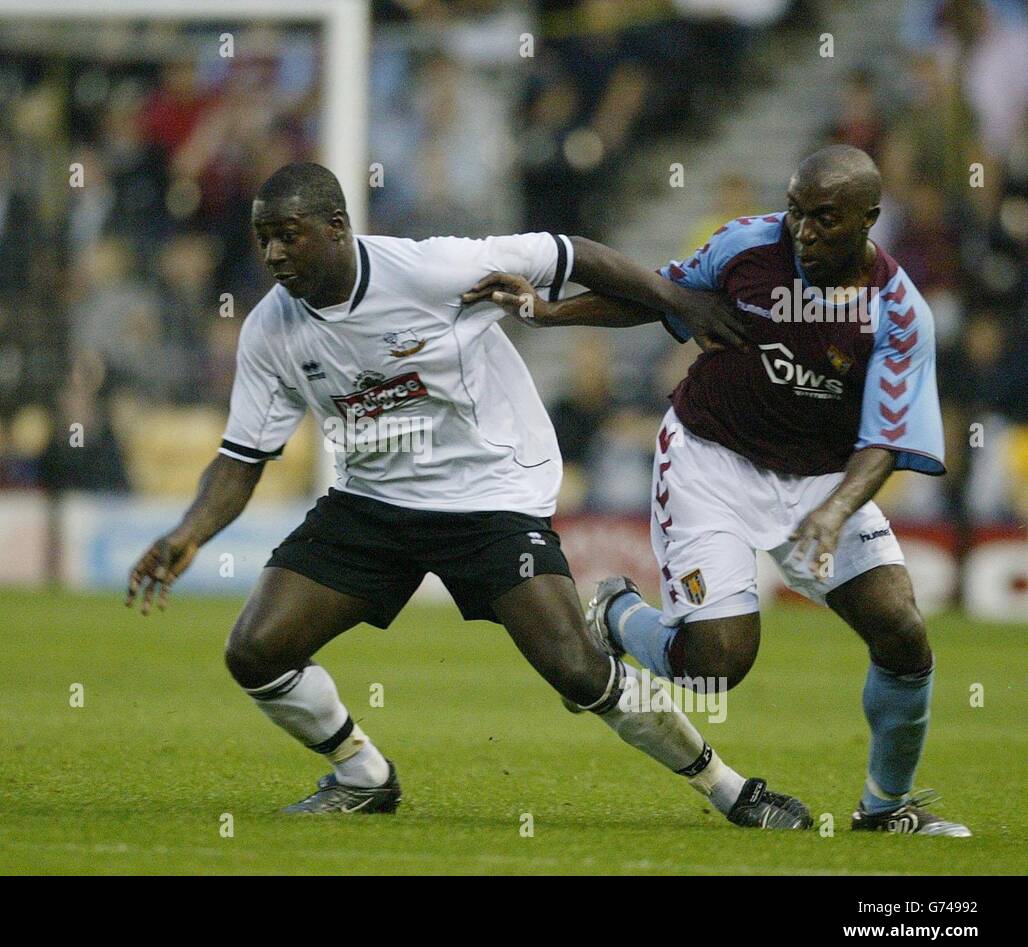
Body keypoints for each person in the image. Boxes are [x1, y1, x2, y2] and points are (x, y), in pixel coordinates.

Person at [126, 161, 808, 828]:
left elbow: (572, 254)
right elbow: (243, 457)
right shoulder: (270, 330)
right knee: (254, 649)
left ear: (336, 227)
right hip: (373, 501)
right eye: (263, 237)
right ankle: (363, 775)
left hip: (489, 495)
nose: (273, 253)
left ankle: (730, 789)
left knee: (577, 669)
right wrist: (188, 534)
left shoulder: (429, 271)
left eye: (288, 233)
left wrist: (679, 301)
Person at [467, 145, 969, 836]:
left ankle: (886, 808)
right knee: (716, 667)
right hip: (713, 458)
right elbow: (654, 293)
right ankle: (617, 615)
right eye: (796, 211)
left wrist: (834, 510)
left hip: (823, 479)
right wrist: (548, 314)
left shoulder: (898, 311)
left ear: (867, 220)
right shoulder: (745, 247)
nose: (804, 232)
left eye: (824, 218)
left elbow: (886, 438)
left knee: (902, 629)